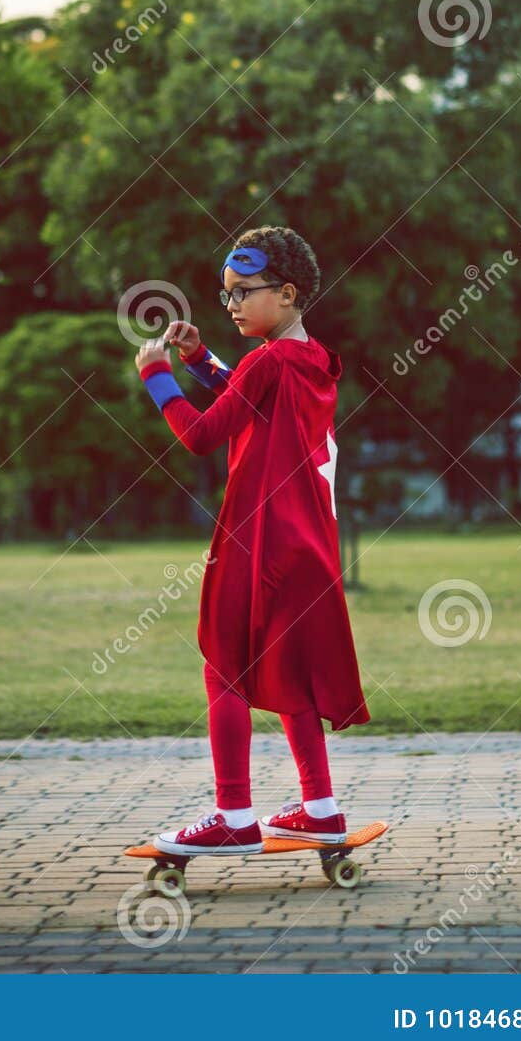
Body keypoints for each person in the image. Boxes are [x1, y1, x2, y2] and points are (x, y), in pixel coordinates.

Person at [132, 225, 368, 856]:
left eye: (244, 292)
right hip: (308, 541)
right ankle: (320, 808)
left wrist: (158, 378)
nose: (231, 304)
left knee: (223, 669)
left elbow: (204, 435)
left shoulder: (267, 362)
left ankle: (234, 814)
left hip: (258, 536)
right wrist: (200, 359)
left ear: (287, 293)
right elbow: (249, 397)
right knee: (291, 672)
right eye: (225, 293)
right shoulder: (312, 357)